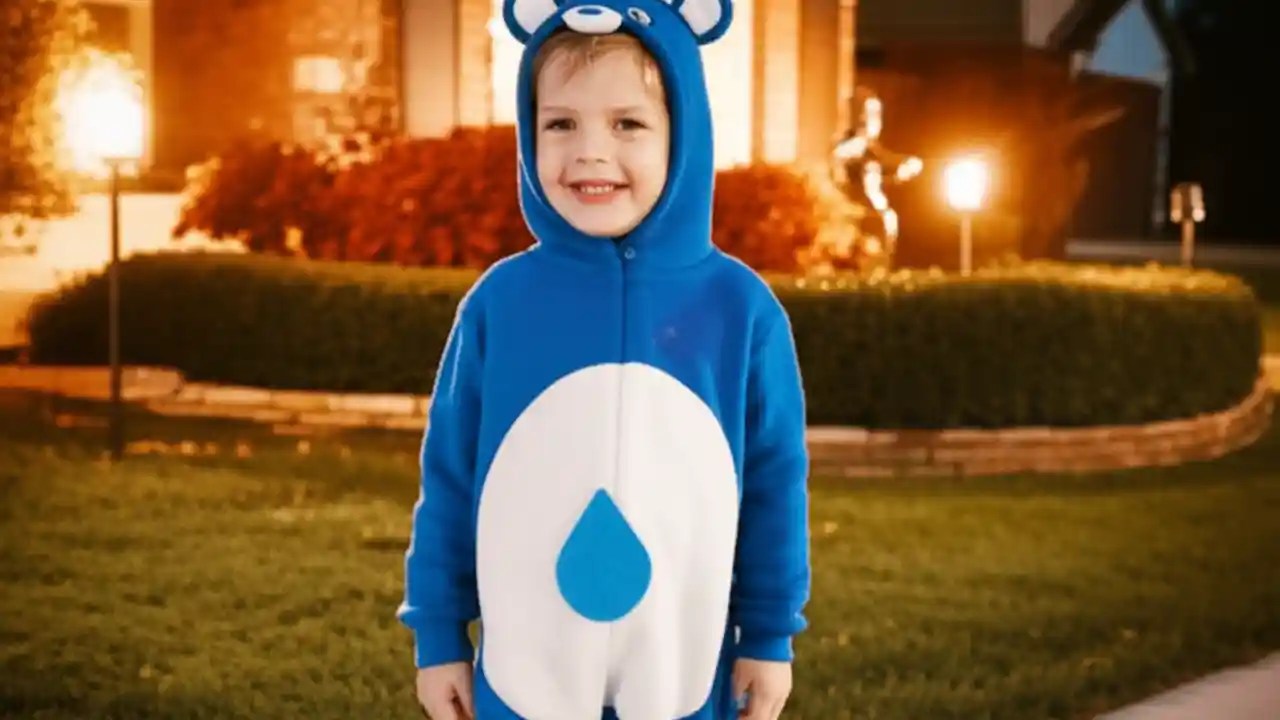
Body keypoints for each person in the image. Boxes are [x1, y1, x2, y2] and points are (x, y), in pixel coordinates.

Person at [397, 1, 811, 718]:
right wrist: (439, 636)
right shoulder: (500, 304)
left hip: (680, 667)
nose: (589, 151)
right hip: (528, 667)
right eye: (560, 123)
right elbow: (451, 480)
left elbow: (775, 485)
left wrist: (769, 635)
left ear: (684, 136)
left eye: (628, 124)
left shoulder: (740, 310)